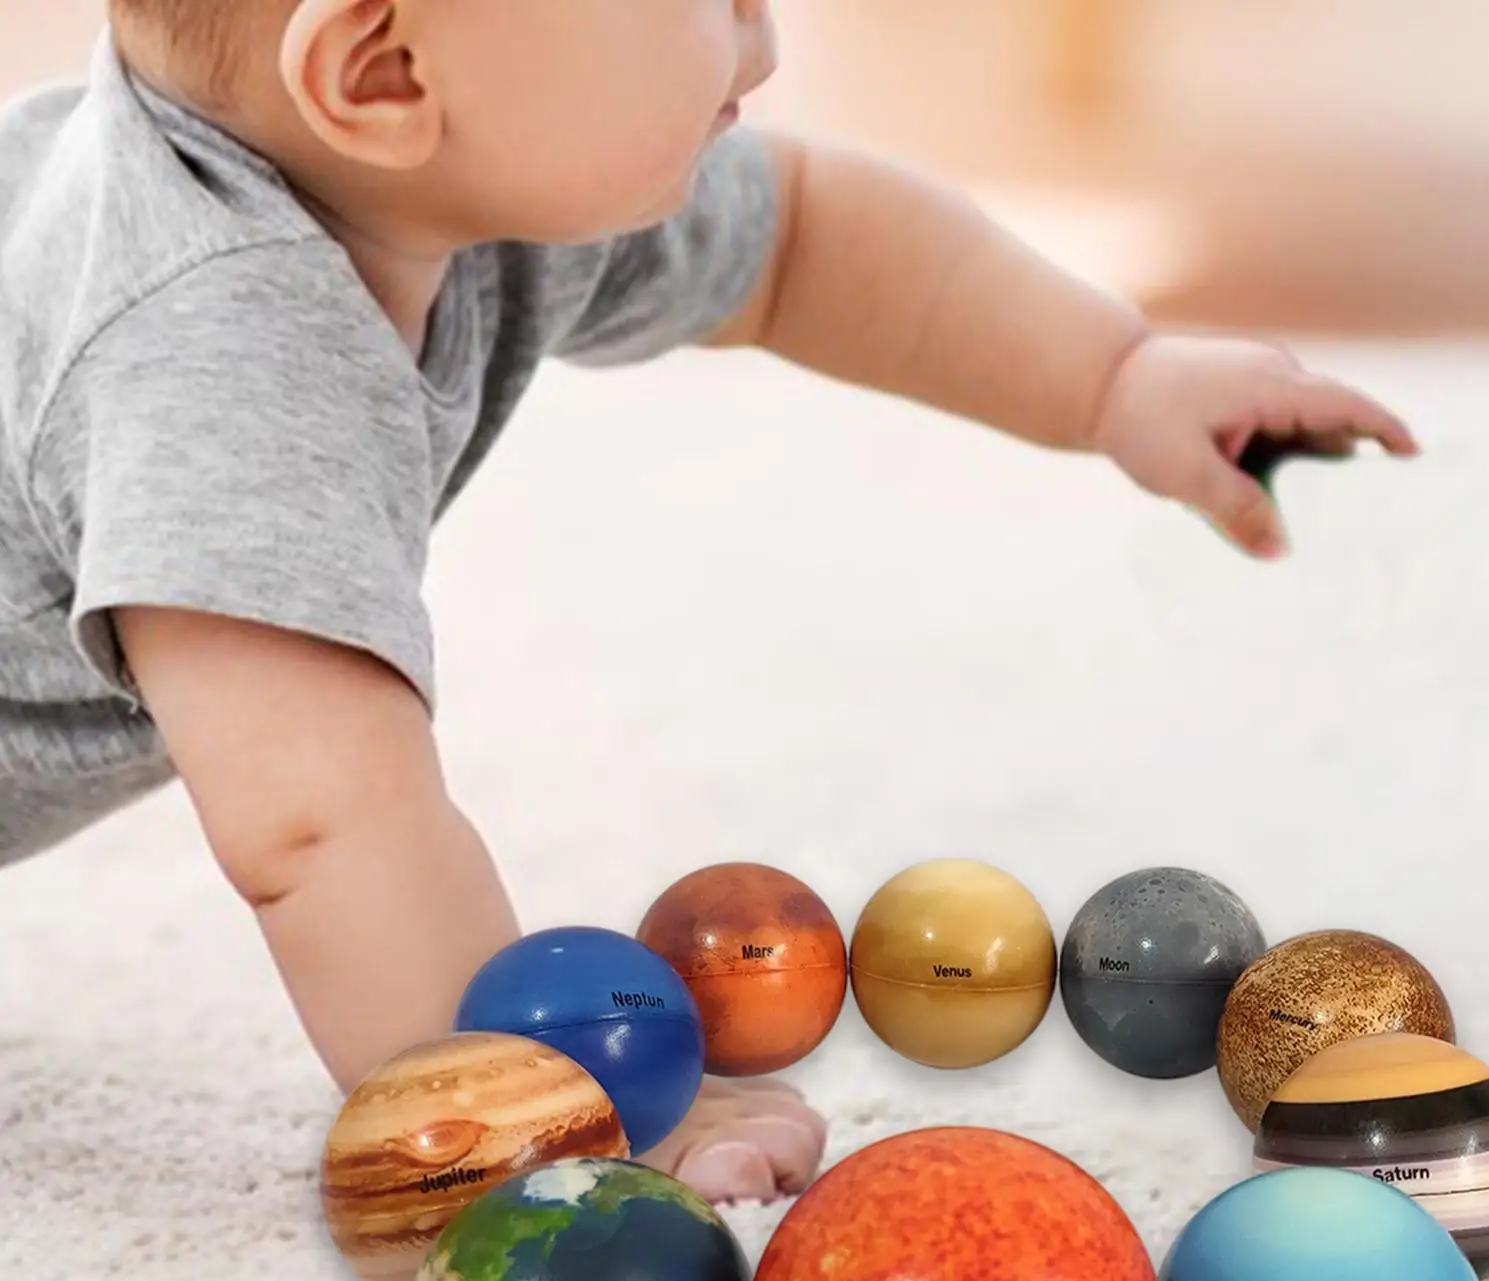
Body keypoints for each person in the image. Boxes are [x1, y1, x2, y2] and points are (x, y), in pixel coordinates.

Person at [0, 0, 1416, 1203]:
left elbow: (800, 244)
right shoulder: (219, 361)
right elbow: (320, 826)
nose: (765, 36)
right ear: (382, 74)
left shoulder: (454, 168)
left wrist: (1115, 378)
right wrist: (557, 1107)